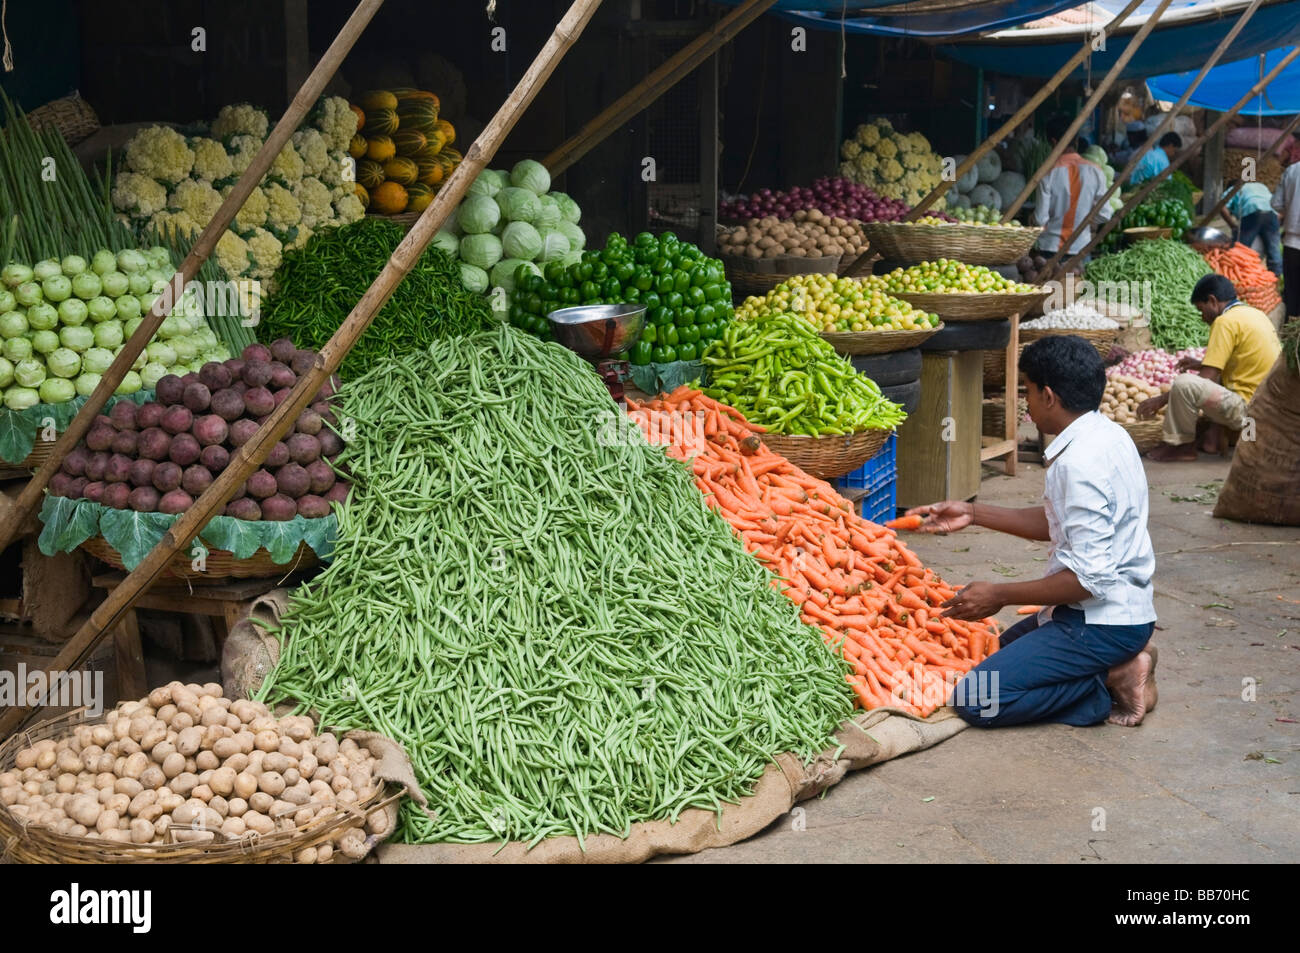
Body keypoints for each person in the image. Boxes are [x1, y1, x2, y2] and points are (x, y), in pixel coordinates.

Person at [904, 336, 1158, 728]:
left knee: (977, 700)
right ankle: (1118, 663)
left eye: (1028, 391)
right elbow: (1056, 521)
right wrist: (972, 512)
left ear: (1049, 396)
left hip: (1103, 622)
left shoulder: (1079, 464)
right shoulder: (1107, 434)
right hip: (1107, 613)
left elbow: (1087, 580)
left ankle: (1110, 679)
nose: (1027, 401)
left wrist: (1000, 595)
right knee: (991, 653)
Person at [1140, 274, 1281, 462]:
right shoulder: (1255, 315)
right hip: (1268, 409)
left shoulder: (1224, 322)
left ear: (1212, 301)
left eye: (1201, 309)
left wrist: (1161, 399)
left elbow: (1206, 377)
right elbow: (1242, 360)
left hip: (1249, 412)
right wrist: (1200, 364)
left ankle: (1181, 446)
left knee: (1184, 384)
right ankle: (1212, 441)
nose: (1202, 317)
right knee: (1219, 379)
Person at [1035, 116, 1113, 259]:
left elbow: (1040, 219)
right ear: (1076, 141)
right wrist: (1086, 222)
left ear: (1053, 142)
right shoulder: (1095, 171)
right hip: (1081, 249)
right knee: (1076, 281)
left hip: (1050, 249)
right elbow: (1104, 214)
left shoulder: (1047, 172)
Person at [1225, 180, 1282, 276]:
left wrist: (1232, 225)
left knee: (1242, 250)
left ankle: (1241, 274)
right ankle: (1276, 278)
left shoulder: (1233, 189)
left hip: (1251, 211)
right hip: (1271, 213)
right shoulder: (1260, 185)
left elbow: (1222, 206)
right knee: (1274, 251)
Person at [1273, 157, 1300, 317]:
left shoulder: (1292, 170)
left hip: (1292, 244)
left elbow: (1276, 203)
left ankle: (1290, 336)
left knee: (1292, 292)